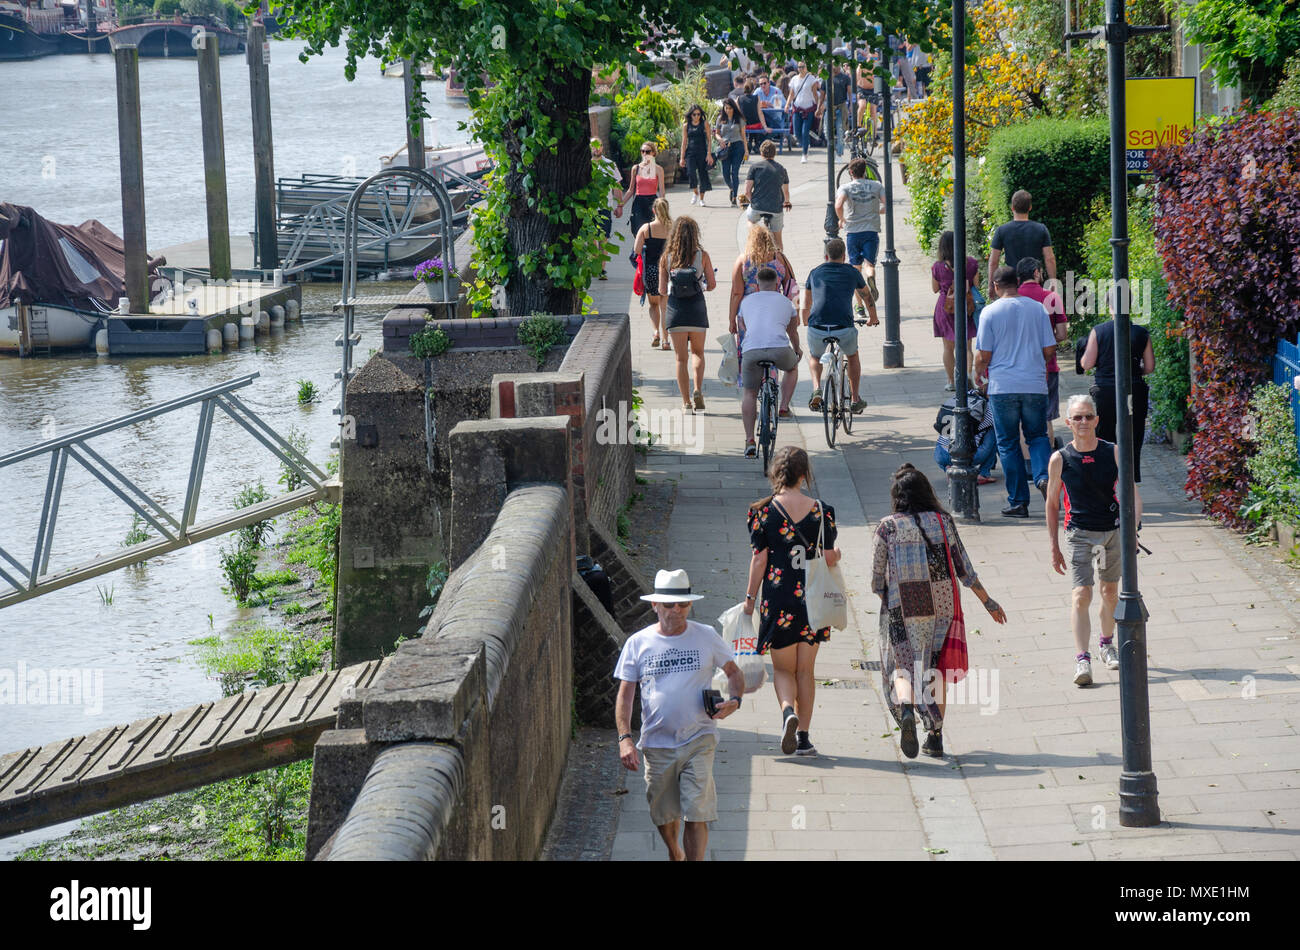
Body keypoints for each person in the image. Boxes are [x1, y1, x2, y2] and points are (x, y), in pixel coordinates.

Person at [872, 464, 1007, 758]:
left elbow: (876, 579)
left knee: (902, 664)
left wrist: (888, 595)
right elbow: (964, 567)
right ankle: (934, 736)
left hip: (902, 604)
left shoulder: (886, 527)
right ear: (926, 492)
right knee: (935, 667)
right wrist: (988, 602)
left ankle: (907, 709)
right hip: (941, 603)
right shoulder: (943, 522)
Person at [615, 568, 744, 861]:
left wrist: (734, 700)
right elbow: (625, 694)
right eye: (670, 605)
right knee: (663, 813)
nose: (677, 610)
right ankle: (676, 853)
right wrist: (625, 738)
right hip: (657, 743)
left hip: (699, 736)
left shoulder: (706, 636)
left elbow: (734, 673)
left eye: (683, 604)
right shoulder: (638, 643)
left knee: (697, 812)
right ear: (655, 605)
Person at [744, 446, 842, 756]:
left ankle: (788, 711)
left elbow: (759, 560)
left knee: (783, 670)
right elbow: (828, 558)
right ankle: (804, 738)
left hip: (778, 598)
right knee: (806, 672)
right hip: (812, 599)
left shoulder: (762, 512)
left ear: (776, 473)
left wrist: (749, 599)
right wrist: (836, 555)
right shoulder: (823, 511)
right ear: (804, 474)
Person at [1045, 394, 1143, 686]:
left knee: (1110, 592)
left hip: (1111, 532)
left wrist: (1133, 531)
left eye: (1088, 416)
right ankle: (1082, 660)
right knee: (1081, 596)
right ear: (1068, 423)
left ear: (1097, 420)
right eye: (1078, 417)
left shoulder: (1113, 452)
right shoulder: (1060, 459)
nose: (1084, 422)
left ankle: (1106, 644)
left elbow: (1132, 495)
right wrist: (1053, 545)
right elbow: (1052, 504)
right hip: (1079, 534)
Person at [974, 265, 1057, 518]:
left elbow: (984, 355)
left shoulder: (989, 312)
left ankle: (1018, 502)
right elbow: (1049, 349)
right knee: (1038, 436)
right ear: (1018, 283)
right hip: (1034, 384)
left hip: (1003, 387)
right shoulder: (1037, 309)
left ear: (997, 287)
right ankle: (1043, 477)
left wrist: (977, 372)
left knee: (1009, 444)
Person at [729, 224, 800, 415]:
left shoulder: (743, 260)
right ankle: (773, 389)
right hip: (776, 310)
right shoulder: (780, 259)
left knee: (751, 349)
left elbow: (736, 292)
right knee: (776, 343)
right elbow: (792, 287)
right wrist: (795, 312)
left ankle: (753, 386)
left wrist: (731, 320)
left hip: (749, 313)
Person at [803, 237, 877, 413]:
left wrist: (805, 319)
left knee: (814, 356)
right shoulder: (851, 272)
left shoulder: (814, 273)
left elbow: (806, 301)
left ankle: (816, 389)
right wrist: (872, 317)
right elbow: (867, 296)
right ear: (844, 256)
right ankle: (855, 399)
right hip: (843, 326)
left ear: (826, 256)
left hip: (818, 326)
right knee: (852, 356)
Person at [1081, 317, 1155, 482]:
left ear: (1109, 306)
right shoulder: (1141, 332)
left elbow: (1087, 363)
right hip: (1133, 390)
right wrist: (1133, 371)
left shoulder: (1099, 331)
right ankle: (1131, 477)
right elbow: (1149, 367)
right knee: (1134, 434)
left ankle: (1107, 476)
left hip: (1106, 391)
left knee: (1104, 434)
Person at [737, 268, 802, 456]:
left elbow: (742, 325)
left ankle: (749, 439)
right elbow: (793, 331)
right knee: (792, 367)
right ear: (777, 284)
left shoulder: (746, 301)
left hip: (752, 350)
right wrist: (797, 350)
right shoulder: (786, 302)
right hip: (779, 349)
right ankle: (783, 407)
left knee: (749, 393)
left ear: (757, 284)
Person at [658, 216, 716, 413]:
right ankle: (698, 390)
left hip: (676, 311)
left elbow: (662, 291)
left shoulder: (666, 257)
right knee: (698, 353)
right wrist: (700, 284)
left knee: (680, 358)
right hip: (697, 308)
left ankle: (686, 403)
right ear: (694, 234)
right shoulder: (703, 255)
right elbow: (712, 285)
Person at [1015, 257, 1069, 441]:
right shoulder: (1051, 297)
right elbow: (1062, 334)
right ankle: (1049, 463)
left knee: (1023, 418)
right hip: (1047, 366)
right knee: (1046, 418)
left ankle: (1026, 463)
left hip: (1019, 366)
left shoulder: (1012, 299)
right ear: (1037, 273)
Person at [932, 230, 981, 391]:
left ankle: (951, 381)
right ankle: (966, 378)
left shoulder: (938, 267)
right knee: (967, 347)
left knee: (948, 348)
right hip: (966, 306)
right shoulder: (972, 263)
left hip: (945, 307)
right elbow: (976, 285)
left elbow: (935, 289)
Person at [836, 157, 886, 303]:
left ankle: (859, 306)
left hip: (853, 231)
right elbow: (886, 203)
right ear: (865, 171)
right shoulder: (877, 185)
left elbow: (838, 205)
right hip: (871, 230)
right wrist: (879, 211)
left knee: (855, 269)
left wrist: (841, 219)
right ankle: (870, 277)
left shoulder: (845, 188)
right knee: (869, 264)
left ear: (851, 172)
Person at [988, 189, 1056, 288]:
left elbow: (994, 261)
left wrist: (992, 285)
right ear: (1030, 207)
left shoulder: (1002, 230)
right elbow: (1049, 258)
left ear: (1012, 208)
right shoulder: (1041, 229)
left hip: (1012, 284)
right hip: (1035, 281)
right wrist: (1053, 282)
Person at [934, 387, 999, 485]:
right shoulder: (988, 407)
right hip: (968, 456)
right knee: (994, 430)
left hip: (941, 455)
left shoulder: (957, 399)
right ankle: (983, 473)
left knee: (946, 434)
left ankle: (948, 468)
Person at [634, 198, 673, 351]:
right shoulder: (673, 228)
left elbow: (636, 250)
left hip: (651, 270)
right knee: (665, 307)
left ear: (653, 210)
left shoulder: (646, 228)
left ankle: (655, 332)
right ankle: (666, 341)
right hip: (668, 271)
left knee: (654, 305)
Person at [620, 141, 665, 265]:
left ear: (654, 153)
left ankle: (650, 261)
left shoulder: (658, 169)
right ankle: (639, 261)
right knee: (638, 232)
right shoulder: (636, 168)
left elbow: (662, 192)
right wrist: (620, 205)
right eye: (642, 151)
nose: (645, 154)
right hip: (638, 203)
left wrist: (663, 210)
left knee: (652, 233)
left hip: (652, 202)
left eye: (647, 151)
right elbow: (630, 190)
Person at [743, 140, 792, 251]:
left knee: (750, 221)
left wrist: (753, 201)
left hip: (757, 206)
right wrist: (787, 202)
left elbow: (747, 191)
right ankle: (780, 260)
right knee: (778, 238)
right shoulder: (781, 169)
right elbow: (786, 192)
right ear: (775, 154)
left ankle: (755, 234)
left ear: (761, 153)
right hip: (775, 207)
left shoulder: (754, 167)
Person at [591, 139, 622, 280]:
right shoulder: (585, 165)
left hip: (605, 206)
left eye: (599, 146)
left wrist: (619, 205)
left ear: (603, 148)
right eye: (593, 146)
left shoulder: (610, 164)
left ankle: (602, 269)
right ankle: (595, 266)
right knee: (591, 239)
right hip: (589, 207)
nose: (596, 149)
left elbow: (617, 186)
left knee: (604, 238)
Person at [713, 98, 748, 207]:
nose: (728, 110)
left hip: (737, 146)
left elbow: (743, 135)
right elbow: (717, 133)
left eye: (730, 108)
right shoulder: (720, 118)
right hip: (725, 147)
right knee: (725, 173)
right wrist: (720, 140)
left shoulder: (739, 119)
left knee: (735, 172)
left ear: (734, 108)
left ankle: (734, 197)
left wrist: (746, 150)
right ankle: (732, 188)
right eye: (726, 108)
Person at [785, 61, 822, 163]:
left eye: (802, 67)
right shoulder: (794, 79)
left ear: (806, 67)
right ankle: (806, 144)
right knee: (797, 133)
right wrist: (787, 104)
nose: (800, 69)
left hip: (809, 108)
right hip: (797, 107)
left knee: (804, 132)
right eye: (799, 67)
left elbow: (815, 94)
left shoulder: (811, 79)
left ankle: (804, 154)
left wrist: (818, 107)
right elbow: (791, 94)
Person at [678, 103, 714, 206]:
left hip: (702, 152)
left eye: (698, 114)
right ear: (690, 115)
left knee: (703, 175)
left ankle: (702, 199)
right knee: (690, 173)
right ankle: (695, 192)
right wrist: (682, 158)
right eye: (694, 114)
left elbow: (709, 140)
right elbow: (684, 142)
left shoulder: (704, 123)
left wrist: (709, 154)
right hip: (690, 153)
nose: (696, 116)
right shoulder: (686, 125)